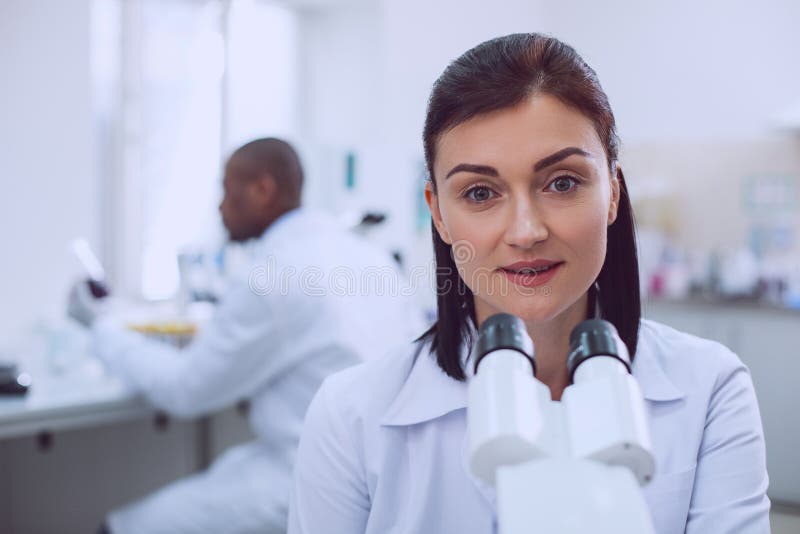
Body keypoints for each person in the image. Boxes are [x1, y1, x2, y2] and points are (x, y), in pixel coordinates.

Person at [288, 34, 770, 533]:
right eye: (480, 192)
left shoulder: (710, 388)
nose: (526, 231)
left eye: (562, 182)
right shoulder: (351, 416)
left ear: (612, 191)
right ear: (439, 216)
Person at [68, 138, 422, 534]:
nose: (220, 206)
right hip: (384, 475)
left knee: (120, 528)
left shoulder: (273, 272)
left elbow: (186, 389)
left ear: (263, 190)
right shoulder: (368, 256)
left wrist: (101, 329)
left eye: (226, 190)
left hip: (305, 475)